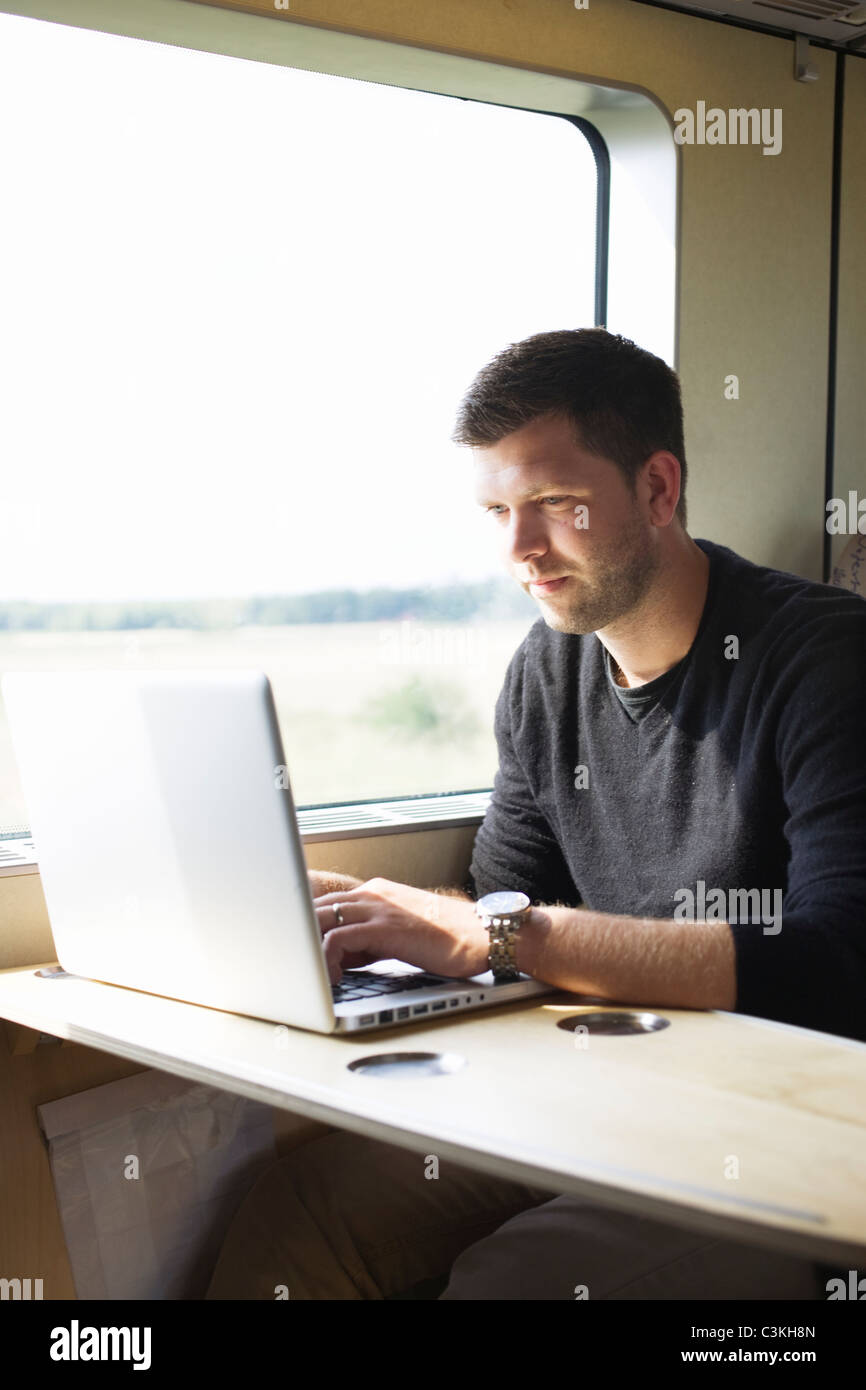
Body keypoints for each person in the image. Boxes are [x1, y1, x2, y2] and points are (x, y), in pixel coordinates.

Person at [205, 328, 865, 1300]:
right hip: (604, 1081)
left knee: (511, 1283)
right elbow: (501, 907)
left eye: (557, 505)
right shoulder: (546, 671)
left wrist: (507, 934)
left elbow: (837, 966)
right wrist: (378, 910)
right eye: (496, 511)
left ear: (655, 488)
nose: (518, 549)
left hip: (797, 1127)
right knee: (303, 1213)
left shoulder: (823, 658)